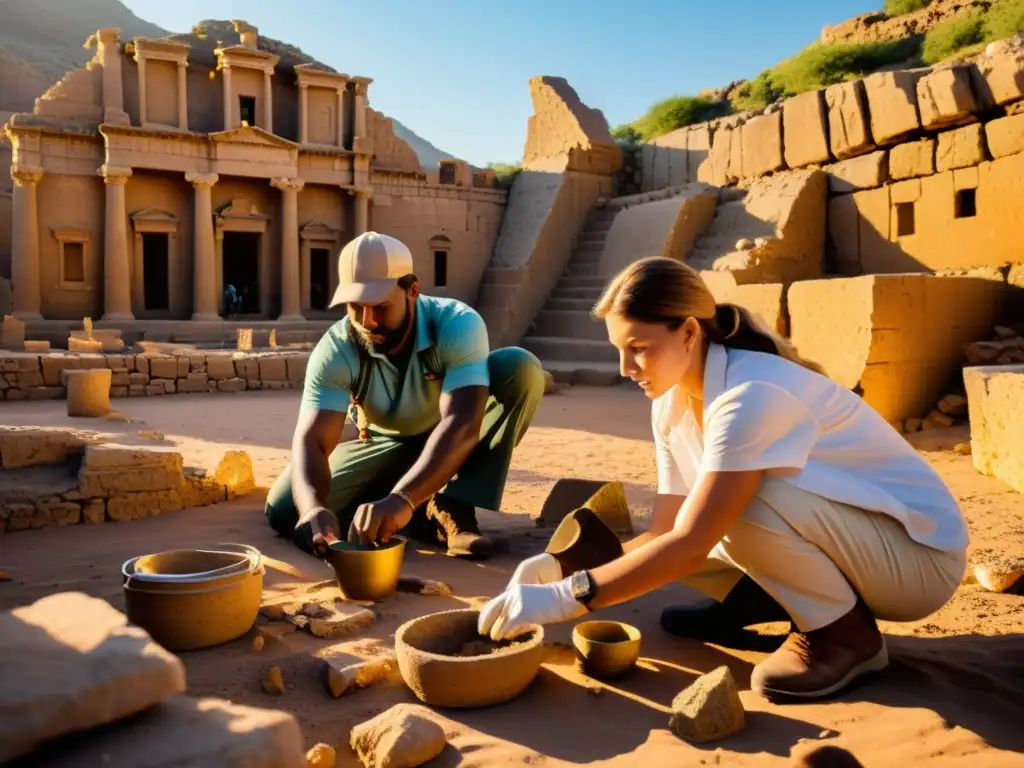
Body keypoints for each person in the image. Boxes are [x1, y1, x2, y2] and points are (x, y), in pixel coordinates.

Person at [478, 256, 968, 702]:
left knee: (741, 503)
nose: (626, 368)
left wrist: (569, 598)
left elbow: (694, 541)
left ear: (689, 333)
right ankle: (760, 597)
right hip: (856, 545)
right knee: (708, 512)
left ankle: (845, 637)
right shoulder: (670, 402)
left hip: (917, 565)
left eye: (639, 349)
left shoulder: (749, 394)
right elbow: (665, 531)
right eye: (618, 350)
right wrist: (556, 569)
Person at [265, 232, 546, 559]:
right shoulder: (337, 347)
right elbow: (312, 440)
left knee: (520, 368)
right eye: (355, 306)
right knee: (287, 510)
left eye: (380, 306)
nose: (367, 321)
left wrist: (402, 499)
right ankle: (412, 508)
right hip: (385, 444)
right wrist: (312, 509)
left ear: (412, 290)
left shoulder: (455, 324)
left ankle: (452, 502)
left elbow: (463, 422)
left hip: (449, 436)